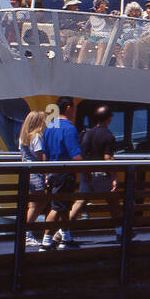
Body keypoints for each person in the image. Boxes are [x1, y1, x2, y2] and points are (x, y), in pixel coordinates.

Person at [41, 97, 82, 247]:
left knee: (64, 206)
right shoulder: (69, 128)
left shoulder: (49, 127)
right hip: (65, 173)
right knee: (57, 208)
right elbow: (76, 155)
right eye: (74, 108)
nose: (75, 111)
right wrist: (84, 168)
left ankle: (66, 237)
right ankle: (46, 241)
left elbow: (44, 153)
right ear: (69, 108)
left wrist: (46, 172)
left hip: (52, 172)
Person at [77, 104, 122, 234]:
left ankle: (61, 232)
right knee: (113, 203)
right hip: (102, 175)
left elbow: (82, 154)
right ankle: (120, 232)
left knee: (79, 204)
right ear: (109, 118)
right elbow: (108, 158)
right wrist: (114, 178)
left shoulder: (87, 133)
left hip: (87, 173)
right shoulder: (108, 136)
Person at [18, 110, 51, 249]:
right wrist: (47, 173)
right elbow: (40, 156)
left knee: (35, 204)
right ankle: (26, 233)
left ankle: (25, 232)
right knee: (37, 204)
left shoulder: (23, 138)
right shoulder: (36, 136)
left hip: (27, 173)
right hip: (36, 174)